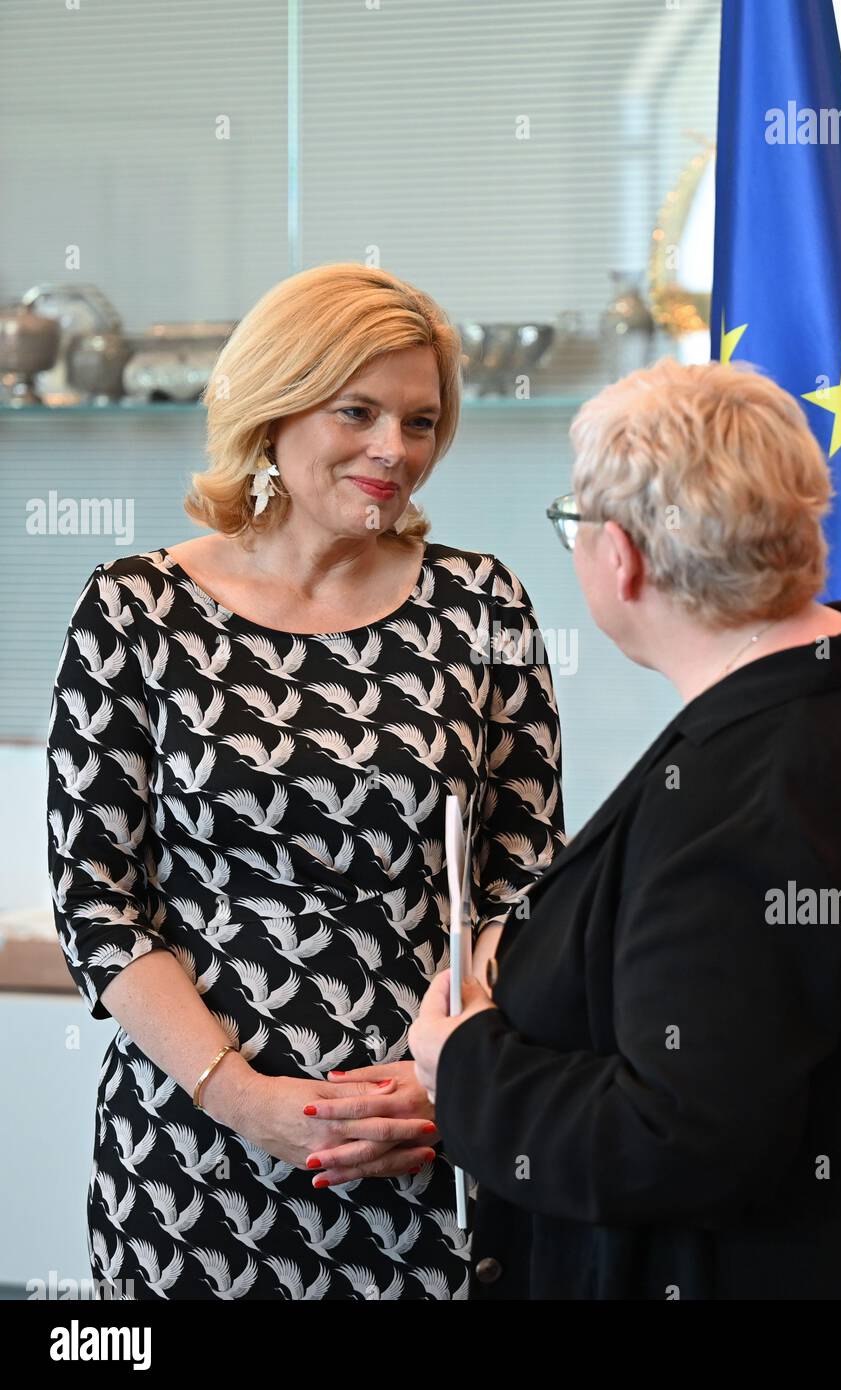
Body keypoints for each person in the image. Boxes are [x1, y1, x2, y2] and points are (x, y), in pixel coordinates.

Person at [409, 356, 841, 1300]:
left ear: (619, 554)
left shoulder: (753, 795)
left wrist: (461, 1065)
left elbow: (679, 1139)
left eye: (573, 524)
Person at [47, 262, 564, 1300]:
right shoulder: (137, 609)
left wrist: (435, 1076)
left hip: (425, 1148)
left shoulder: (481, 605)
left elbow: (527, 881)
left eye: (419, 422)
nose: (394, 451)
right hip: (190, 1169)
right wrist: (242, 1098)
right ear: (275, 406)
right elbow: (98, 903)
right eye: (357, 411)